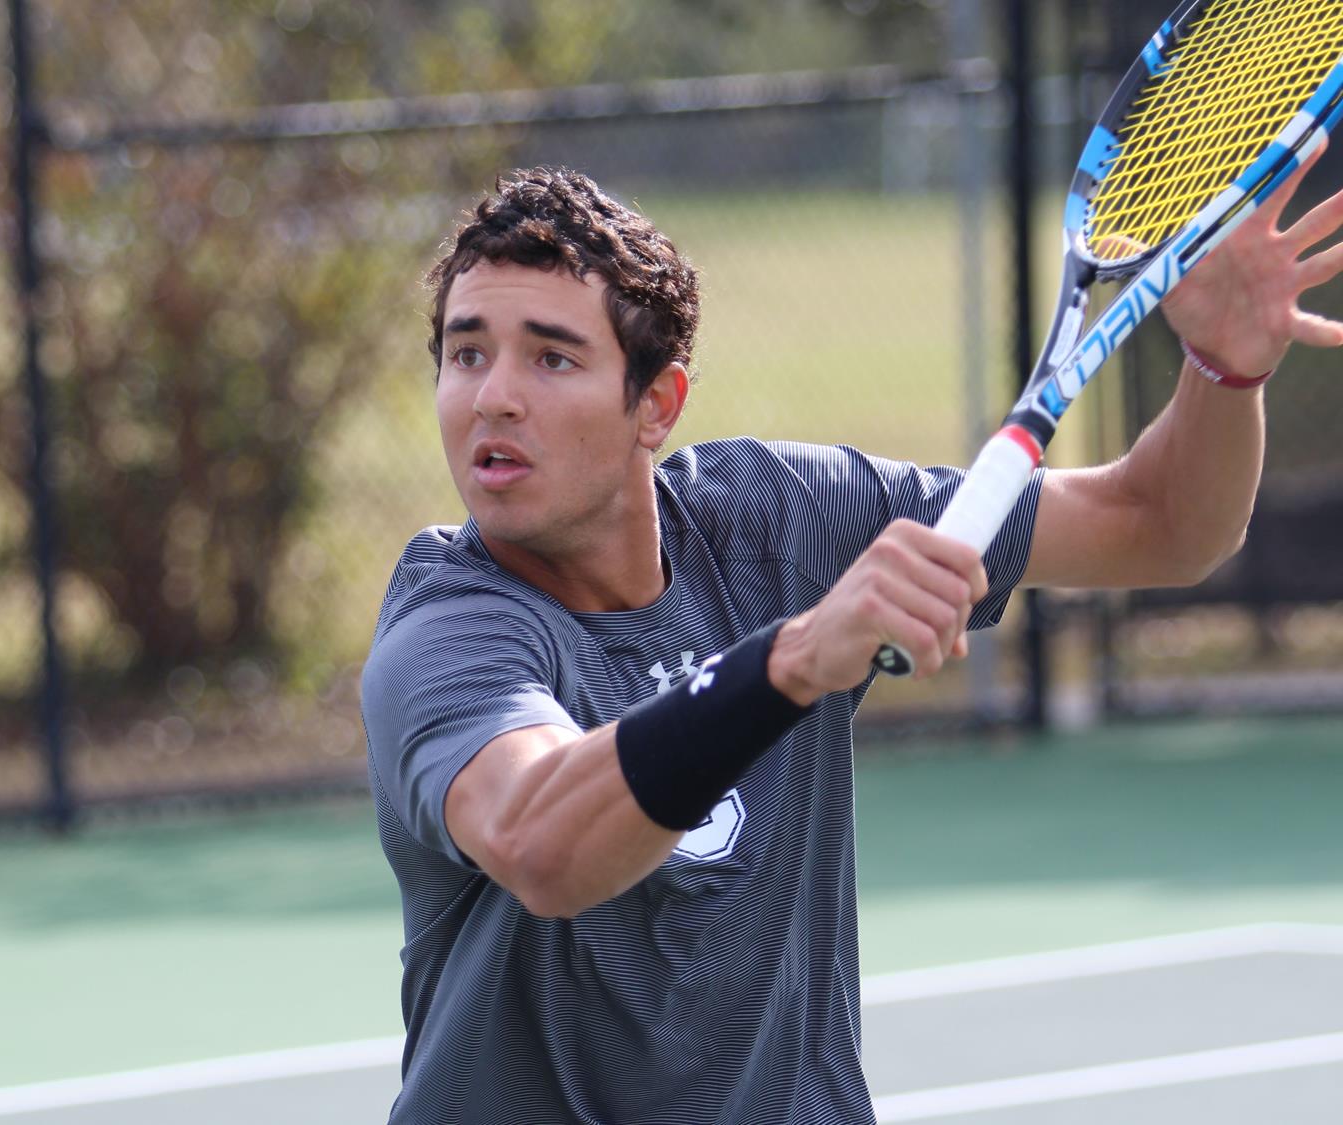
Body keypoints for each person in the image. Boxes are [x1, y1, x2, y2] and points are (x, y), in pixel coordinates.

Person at [359, 163, 1343, 1124]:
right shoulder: (448, 627)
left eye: (551, 358)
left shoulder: (779, 521)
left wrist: (1222, 369)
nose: (491, 396)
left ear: (654, 406)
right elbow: (540, 845)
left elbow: (1159, 522)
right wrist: (787, 662)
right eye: (464, 353)